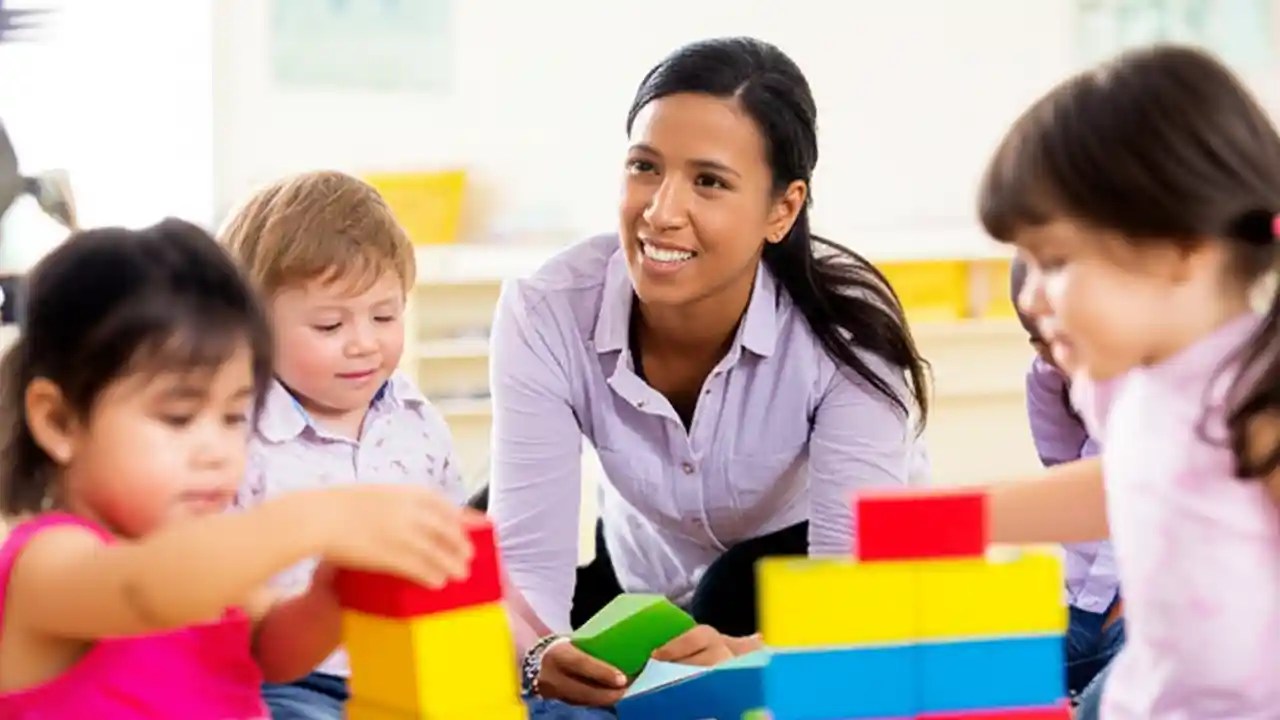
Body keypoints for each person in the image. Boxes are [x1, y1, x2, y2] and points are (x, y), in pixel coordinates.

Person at [484, 37, 931, 707]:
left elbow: (851, 594)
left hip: (801, 575)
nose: (662, 211)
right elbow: (530, 577)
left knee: (733, 591)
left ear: (782, 209)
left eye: (710, 181)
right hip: (647, 569)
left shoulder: (847, 333)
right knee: (472, 567)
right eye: (645, 167)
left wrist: (753, 652)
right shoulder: (546, 311)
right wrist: (539, 653)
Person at [0, 219, 474, 718]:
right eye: (179, 418)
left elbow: (273, 648)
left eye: (233, 417)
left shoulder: (205, 565)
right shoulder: (48, 563)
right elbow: (145, 591)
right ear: (58, 422)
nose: (217, 450)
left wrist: (331, 593)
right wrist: (314, 518)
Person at [221, 170, 604, 720]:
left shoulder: (416, 421)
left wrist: (522, 653)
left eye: (385, 315)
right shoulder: (239, 437)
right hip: (308, 682)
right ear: (253, 327)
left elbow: (459, 564)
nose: (364, 343)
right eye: (329, 326)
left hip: (435, 667)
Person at [978, 45, 1280, 717]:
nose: (1030, 297)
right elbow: (1127, 481)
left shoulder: (1258, 396)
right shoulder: (1122, 385)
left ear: (1182, 245)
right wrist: (953, 519)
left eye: (1054, 260)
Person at [1011, 258, 1122, 714]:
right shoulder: (1053, 379)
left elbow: (1121, 490)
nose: (1034, 297)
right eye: (1039, 340)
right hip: (1083, 598)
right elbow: (1067, 481)